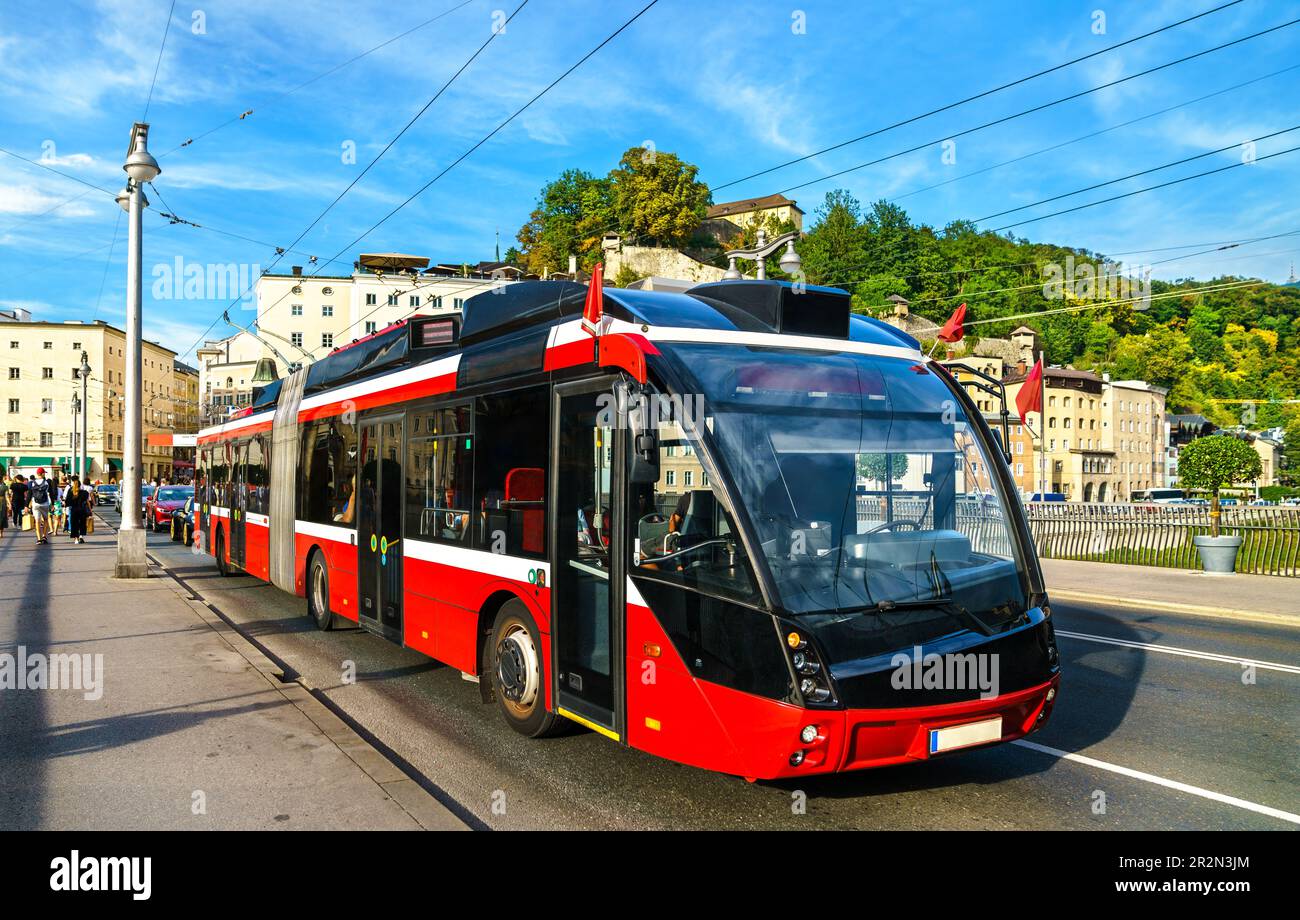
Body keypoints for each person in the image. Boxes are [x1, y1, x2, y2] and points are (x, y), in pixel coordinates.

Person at [28, 467, 53, 545]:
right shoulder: (47, 482)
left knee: (37, 521)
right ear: (42, 474)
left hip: (35, 504)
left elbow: (29, 494)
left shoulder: (32, 483)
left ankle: (39, 539)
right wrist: (53, 504)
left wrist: (26, 505)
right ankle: (44, 536)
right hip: (45, 503)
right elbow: (51, 493)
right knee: (46, 520)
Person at [66, 477, 92, 544]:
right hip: (82, 510)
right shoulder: (85, 493)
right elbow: (87, 502)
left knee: (74, 524)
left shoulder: (71, 492)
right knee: (82, 523)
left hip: (74, 510)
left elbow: (67, 502)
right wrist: (90, 510)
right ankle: (81, 536)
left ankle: (76, 539)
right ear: (80, 485)